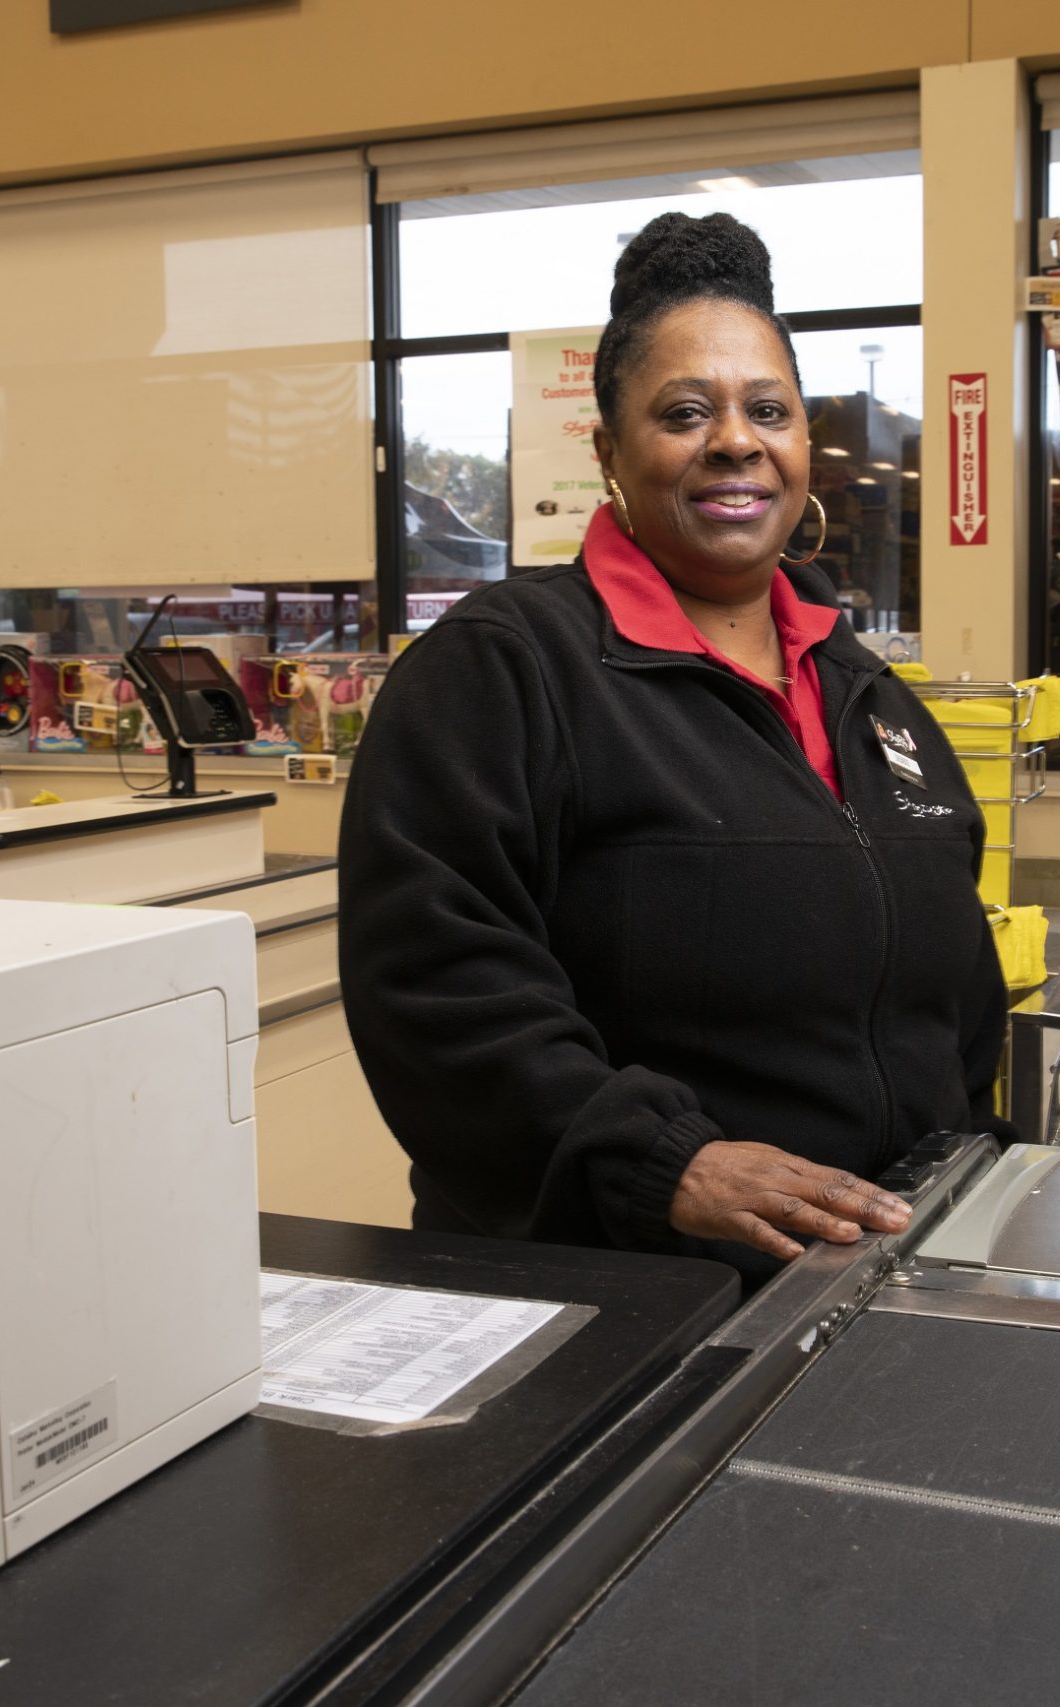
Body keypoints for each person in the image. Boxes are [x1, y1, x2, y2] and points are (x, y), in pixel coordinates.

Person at [338, 212, 1009, 1280]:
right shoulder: (506, 669)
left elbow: (954, 996)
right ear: (608, 453)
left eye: (768, 410)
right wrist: (663, 1163)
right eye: (685, 412)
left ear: (802, 447)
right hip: (620, 1286)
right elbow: (433, 986)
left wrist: (968, 1171)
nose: (735, 440)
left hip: (870, 1278)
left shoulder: (866, 692)